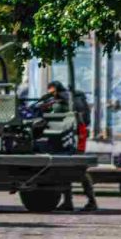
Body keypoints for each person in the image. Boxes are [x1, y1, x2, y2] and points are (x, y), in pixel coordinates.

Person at [43, 81, 98, 212]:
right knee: (67, 169)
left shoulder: (64, 99)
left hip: (72, 138)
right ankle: (69, 201)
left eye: (50, 90)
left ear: (55, 89)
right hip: (70, 138)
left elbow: (59, 114)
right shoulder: (68, 98)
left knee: (80, 171)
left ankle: (90, 201)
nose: (50, 92)